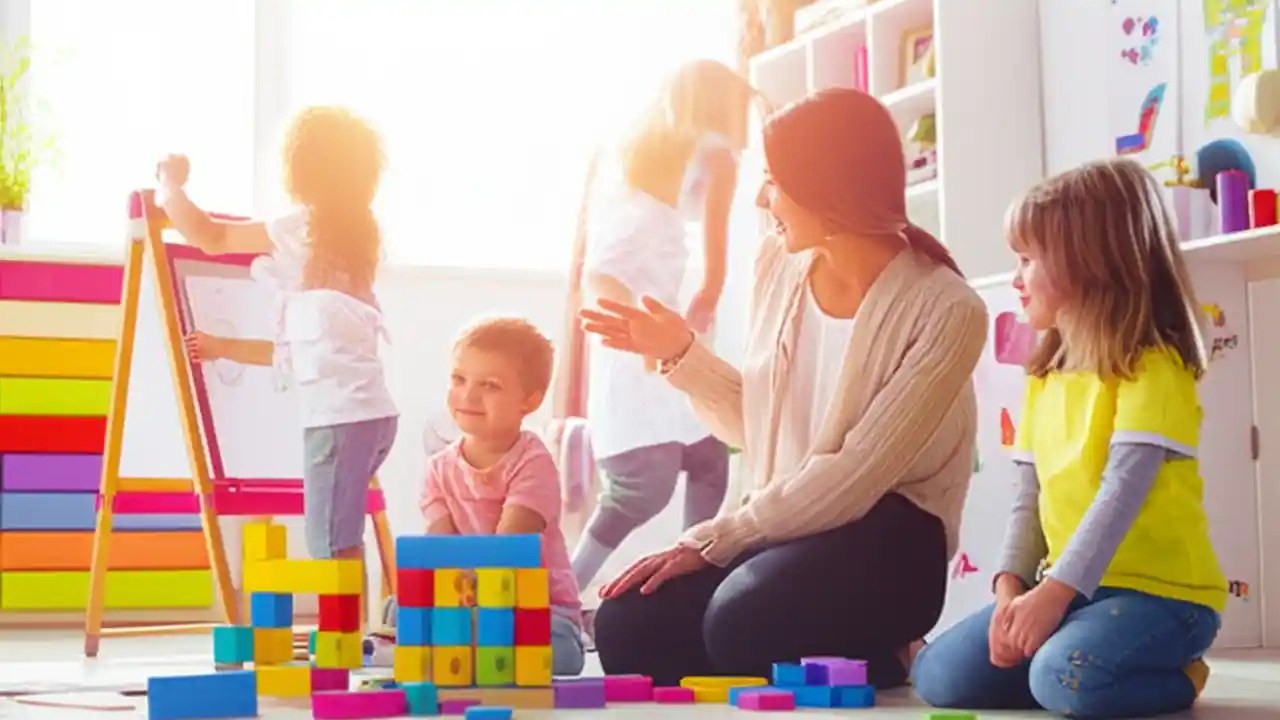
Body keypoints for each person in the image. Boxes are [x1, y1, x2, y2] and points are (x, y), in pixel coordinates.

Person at [578, 87, 988, 688]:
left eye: (774, 180)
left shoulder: (948, 309)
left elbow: (857, 472)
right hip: (794, 525)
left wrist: (718, 538)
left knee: (743, 621)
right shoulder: (779, 263)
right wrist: (681, 356)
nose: (762, 199)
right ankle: (832, 657)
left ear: (829, 186)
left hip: (889, 537)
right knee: (629, 626)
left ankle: (891, 650)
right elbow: (761, 428)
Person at [911, 158, 1225, 719]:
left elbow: (1119, 496)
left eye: (1028, 260)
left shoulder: (1153, 369)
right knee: (937, 675)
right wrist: (1010, 593)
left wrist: (1053, 595)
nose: (1015, 277)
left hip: (1162, 599)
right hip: (1071, 592)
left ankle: (1178, 675)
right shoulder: (1046, 378)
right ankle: (1055, 664)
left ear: (1090, 264)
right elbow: (1028, 501)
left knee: (1066, 678)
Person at [158, 106, 398, 585]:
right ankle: (349, 630)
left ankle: (342, 638)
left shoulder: (300, 228)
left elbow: (210, 236)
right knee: (342, 530)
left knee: (329, 538)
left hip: (337, 420)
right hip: (374, 416)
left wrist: (169, 187)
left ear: (301, 171)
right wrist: (222, 346)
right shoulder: (356, 243)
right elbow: (297, 353)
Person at [562, 58, 757, 593]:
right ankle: (564, 591)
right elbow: (714, 270)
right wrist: (694, 330)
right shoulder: (718, 155)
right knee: (652, 484)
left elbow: (606, 265)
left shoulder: (635, 150)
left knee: (703, 457)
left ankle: (689, 579)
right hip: (653, 313)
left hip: (627, 303)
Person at [365, 318, 586, 675]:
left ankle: (450, 647)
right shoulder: (438, 469)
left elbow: (509, 551)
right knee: (400, 606)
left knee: (557, 652)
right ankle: (455, 644)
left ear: (530, 400)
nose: (468, 395)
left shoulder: (533, 462)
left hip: (532, 608)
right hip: (465, 601)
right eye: (459, 379)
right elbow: (440, 548)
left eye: (490, 386)